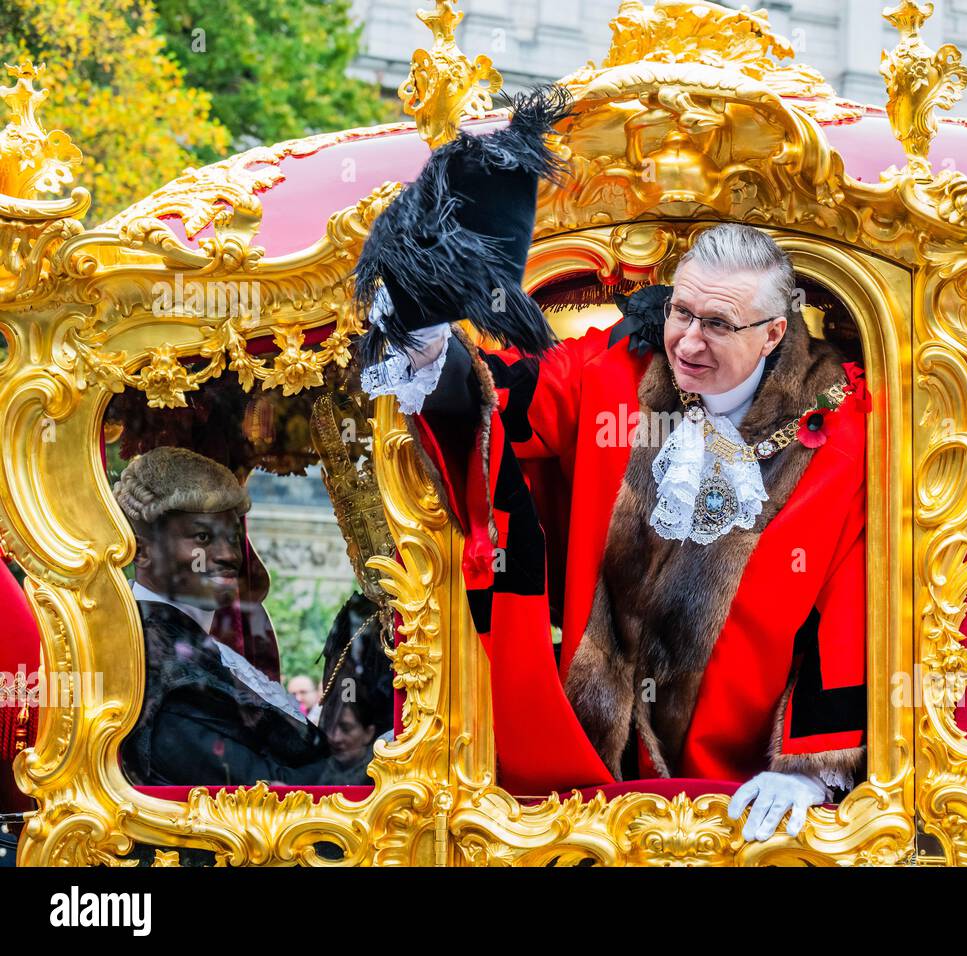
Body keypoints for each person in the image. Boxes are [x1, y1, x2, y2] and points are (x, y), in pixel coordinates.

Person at [352, 86, 869, 841]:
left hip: (736, 778)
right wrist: (425, 327)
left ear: (772, 333)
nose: (687, 341)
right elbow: (505, 402)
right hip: (588, 761)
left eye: (717, 324)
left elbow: (849, 603)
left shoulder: (840, 429)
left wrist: (808, 769)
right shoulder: (615, 370)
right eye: (682, 312)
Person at [114, 447, 339, 786]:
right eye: (203, 537)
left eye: (232, 537)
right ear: (141, 551)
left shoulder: (189, 642)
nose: (228, 555)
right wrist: (380, 762)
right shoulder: (157, 663)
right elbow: (264, 791)